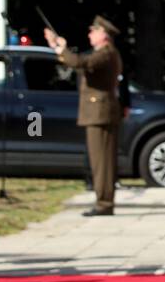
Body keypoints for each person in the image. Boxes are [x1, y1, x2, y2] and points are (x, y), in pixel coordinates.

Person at [45, 16, 124, 216]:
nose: (90, 35)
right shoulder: (106, 52)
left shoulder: (106, 53)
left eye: (93, 31)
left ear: (103, 34)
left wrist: (60, 47)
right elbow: (79, 62)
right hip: (100, 112)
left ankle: (104, 203)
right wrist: (60, 48)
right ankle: (103, 201)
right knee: (101, 161)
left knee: (102, 162)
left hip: (101, 113)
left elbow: (80, 62)